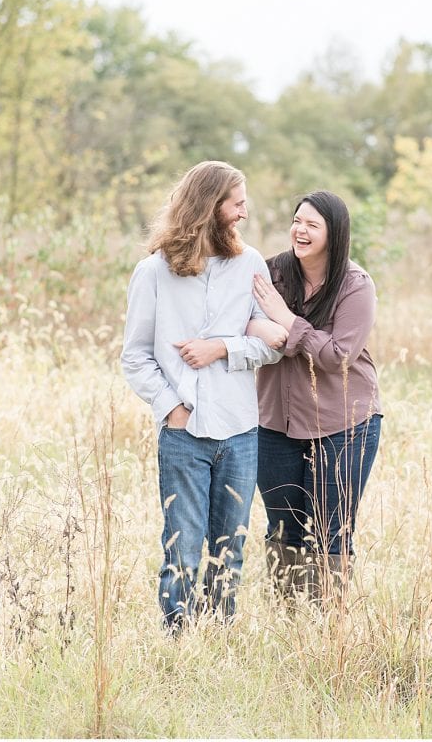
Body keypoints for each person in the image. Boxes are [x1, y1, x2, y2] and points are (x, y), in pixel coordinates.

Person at [120, 160, 284, 633]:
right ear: (209, 206)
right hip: (184, 433)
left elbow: (272, 344)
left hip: (240, 430)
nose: (244, 213)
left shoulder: (250, 264)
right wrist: (171, 407)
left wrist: (223, 347)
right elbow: (135, 356)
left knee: (230, 548)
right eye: (237, 204)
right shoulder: (153, 272)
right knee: (183, 546)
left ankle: (219, 638)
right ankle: (177, 639)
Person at [247, 190, 382, 603]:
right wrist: (265, 329)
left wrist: (285, 322)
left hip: (345, 423)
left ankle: (327, 626)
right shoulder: (270, 273)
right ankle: (290, 621)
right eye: (296, 221)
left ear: (334, 233)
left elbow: (338, 357)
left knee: (331, 530)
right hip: (276, 421)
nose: (300, 231)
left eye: (312, 225)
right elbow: (238, 321)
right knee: (282, 528)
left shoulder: (355, 285)